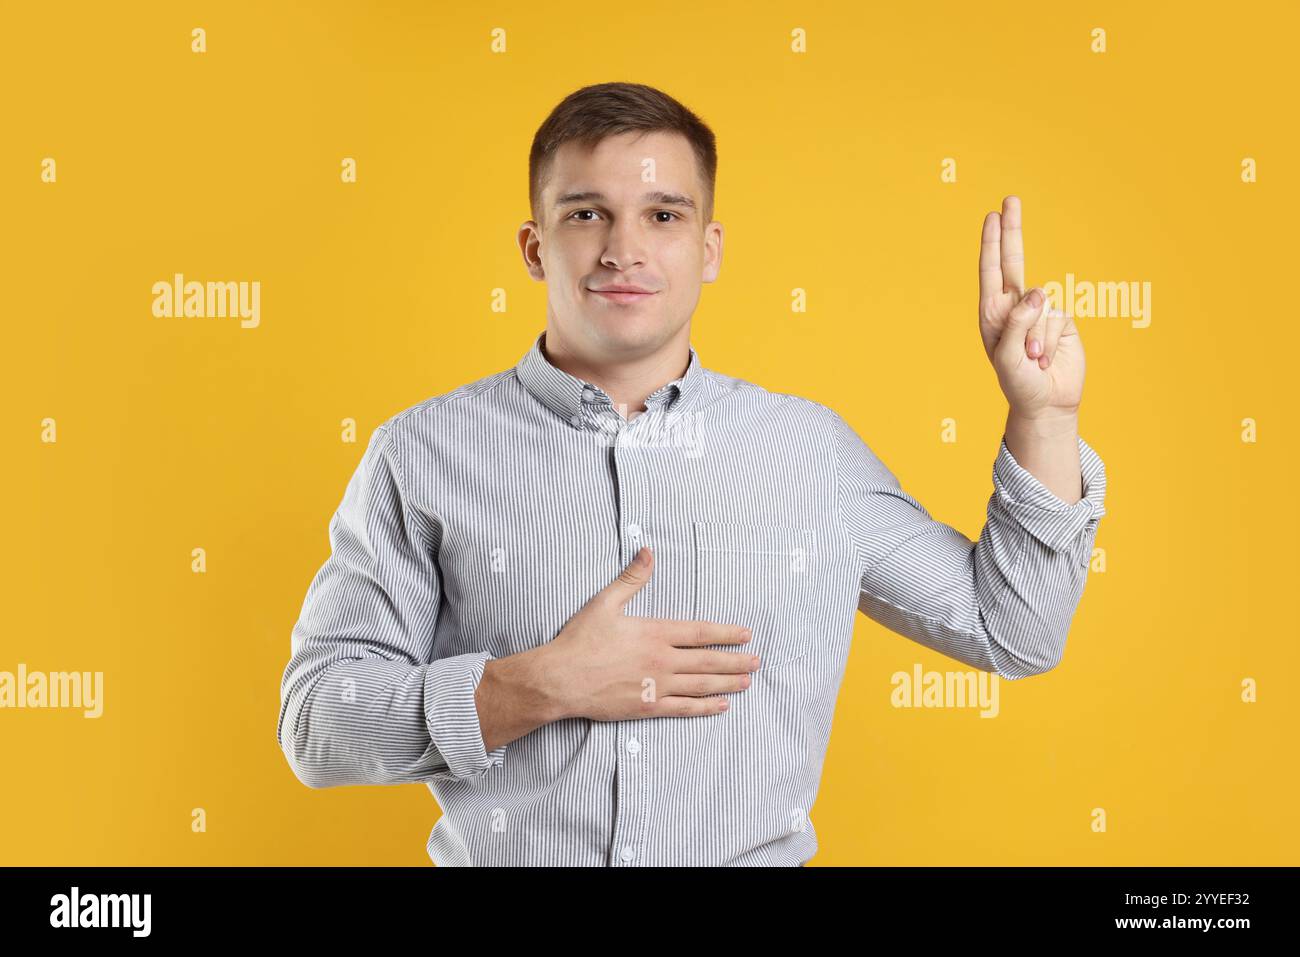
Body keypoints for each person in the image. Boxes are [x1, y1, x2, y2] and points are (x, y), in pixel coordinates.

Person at [277, 81, 1107, 866]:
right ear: (535, 247)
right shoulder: (419, 453)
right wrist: (536, 685)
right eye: (586, 212)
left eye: (663, 214)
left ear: (709, 249)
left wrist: (1045, 419)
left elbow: (1015, 633)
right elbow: (316, 726)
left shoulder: (807, 451)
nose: (623, 249)